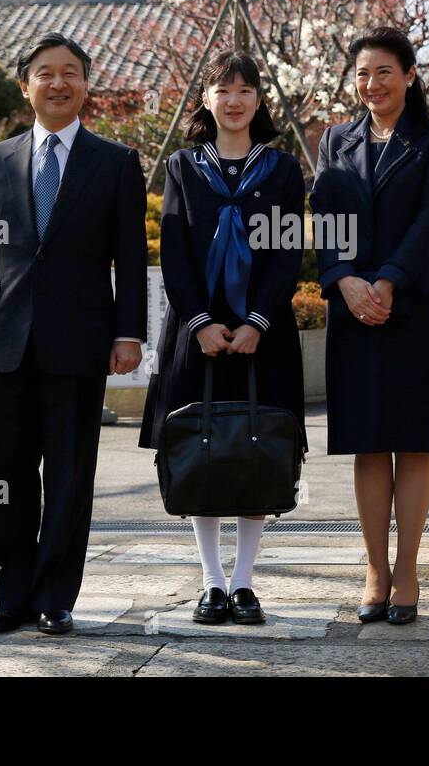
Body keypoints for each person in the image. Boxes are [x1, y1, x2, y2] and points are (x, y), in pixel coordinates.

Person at [0, 32, 148, 635]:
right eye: (45, 73)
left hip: (79, 341)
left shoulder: (115, 163)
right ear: (25, 85)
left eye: (70, 73)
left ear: (86, 85)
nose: (58, 83)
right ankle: (9, 595)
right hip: (5, 341)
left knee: (68, 473)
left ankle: (57, 595)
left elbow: (130, 258)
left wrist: (128, 333)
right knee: (5, 476)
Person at [139, 50, 306, 626]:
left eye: (245, 90)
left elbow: (288, 252)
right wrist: (201, 323)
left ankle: (244, 583)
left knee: (257, 447)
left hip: (265, 332)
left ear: (259, 101)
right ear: (206, 100)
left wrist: (258, 321)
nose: (234, 100)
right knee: (200, 448)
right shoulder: (184, 167)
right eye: (223, 90)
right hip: (197, 331)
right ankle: (210, 582)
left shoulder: (282, 170)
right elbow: (175, 250)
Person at [310, 26, 429, 625]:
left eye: (384, 72)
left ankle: (409, 570)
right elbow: (324, 217)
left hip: (415, 302)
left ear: (410, 75)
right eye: (363, 74)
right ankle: (374, 568)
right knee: (368, 441)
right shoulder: (334, 141)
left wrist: (390, 279)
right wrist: (343, 280)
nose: (372, 84)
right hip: (353, 306)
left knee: (413, 438)